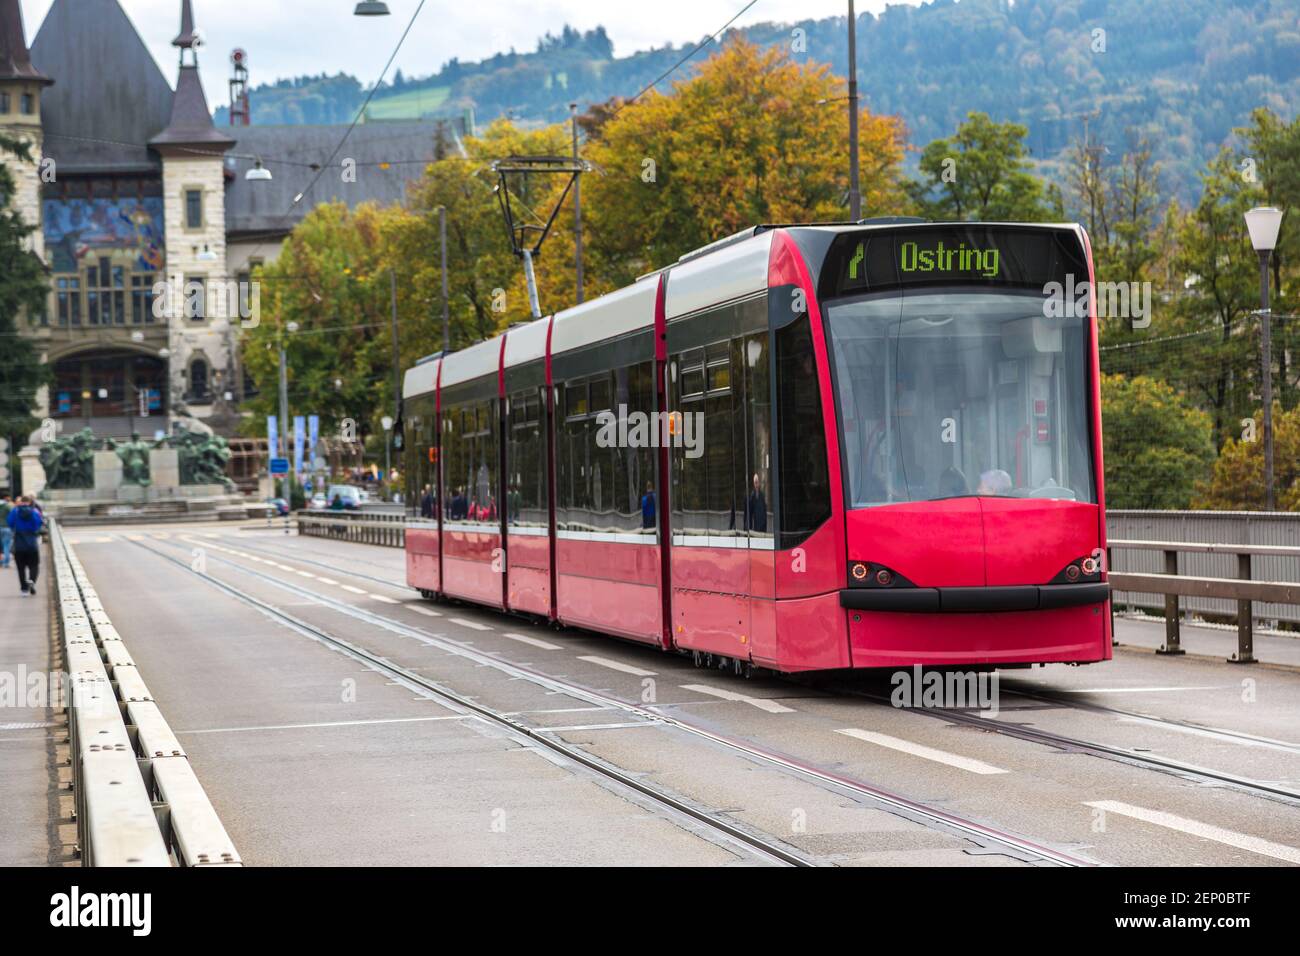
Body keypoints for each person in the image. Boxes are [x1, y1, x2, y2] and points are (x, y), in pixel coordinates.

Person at [8, 496, 44, 596]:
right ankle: (32, 580)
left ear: (21, 502)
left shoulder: (15, 511)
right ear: (29, 502)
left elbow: (10, 523)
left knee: (21, 568)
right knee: (34, 565)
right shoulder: (34, 511)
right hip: (32, 542)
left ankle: (24, 589)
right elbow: (39, 523)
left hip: (19, 543)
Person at [0, 494, 13, 569]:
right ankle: (6, 563)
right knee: (6, 546)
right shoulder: (7, 506)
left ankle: (1, 562)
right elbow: (13, 514)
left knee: (0, 546)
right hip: (7, 527)